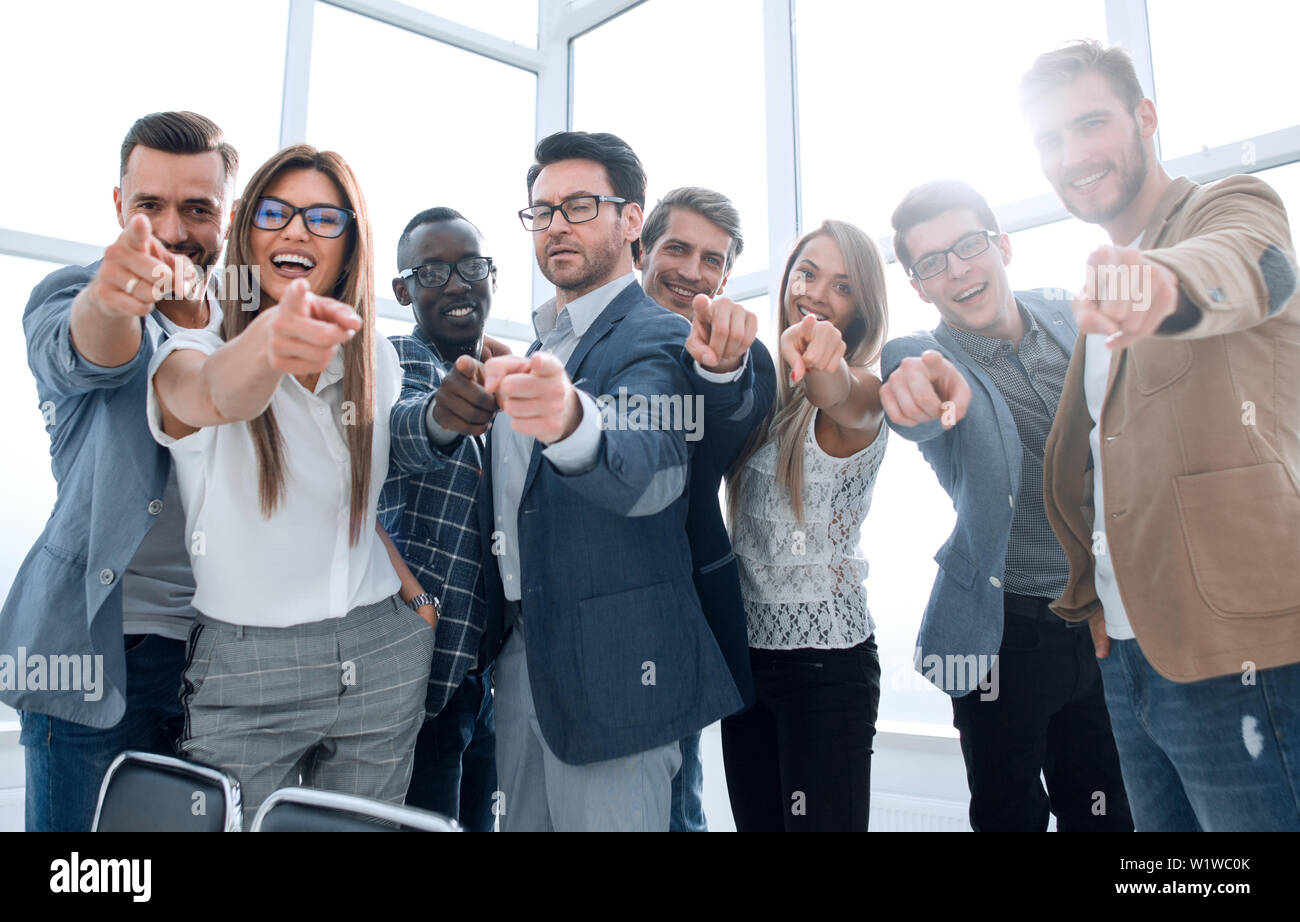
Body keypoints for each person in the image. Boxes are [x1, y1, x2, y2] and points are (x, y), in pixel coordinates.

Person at [1021, 39, 1300, 831]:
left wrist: (1165, 284)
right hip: (1132, 660)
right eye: (1049, 141)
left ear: (1146, 118)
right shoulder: (1101, 286)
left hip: (1241, 657)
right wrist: (1098, 597)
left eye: (1090, 125)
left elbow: (1255, 264)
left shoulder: (1226, 208)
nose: (1071, 156)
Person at [433, 130, 743, 831]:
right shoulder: (546, 346)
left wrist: (573, 419)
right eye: (541, 212)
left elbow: (652, 470)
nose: (555, 226)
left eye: (578, 206)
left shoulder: (657, 335)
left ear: (631, 221)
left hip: (619, 675)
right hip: (522, 665)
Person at [147, 144, 434, 825]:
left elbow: (355, 508)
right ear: (248, 230)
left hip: (380, 650)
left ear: (350, 243)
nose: (297, 230)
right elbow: (211, 394)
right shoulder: (197, 348)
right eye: (276, 212)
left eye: (323, 219)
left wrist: (415, 607)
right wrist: (270, 341)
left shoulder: (378, 364)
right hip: (249, 668)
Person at [3, 112, 235, 831]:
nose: (172, 230)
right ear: (118, 209)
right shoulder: (72, 292)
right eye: (150, 206)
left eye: (197, 208)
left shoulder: (243, 327)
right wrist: (111, 299)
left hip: (220, 662)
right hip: (98, 653)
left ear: (225, 217)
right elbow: (90, 349)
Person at [880, 179, 1132, 831]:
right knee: (1008, 815)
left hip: (1104, 621)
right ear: (918, 286)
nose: (957, 268)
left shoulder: (1070, 316)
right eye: (932, 262)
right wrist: (920, 389)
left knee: (1110, 808)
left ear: (1004, 246)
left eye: (968, 245)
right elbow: (918, 393)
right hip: (1005, 633)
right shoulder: (920, 355)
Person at [721, 219, 888, 832]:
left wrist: (823, 360)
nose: (816, 293)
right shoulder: (762, 389)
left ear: (861, 308)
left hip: (827, 668)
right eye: (808, 273)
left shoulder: (866, 389)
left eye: (841, 286)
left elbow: (836, 388)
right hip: (746, 658)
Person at [635, 186, 776, 832]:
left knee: (672, 800)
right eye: (678, 249)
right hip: (556, 619)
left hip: (677, 618)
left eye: (712, 260)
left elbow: (733, 414)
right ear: (642, 250)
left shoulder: (738, 357)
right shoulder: (583, 339)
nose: (692, 271)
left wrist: (721, 370)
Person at [381, 206, 503, 831]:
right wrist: (443, 417)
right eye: (433, 271)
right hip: (421, 676)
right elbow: (405, 429)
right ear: (403, 289)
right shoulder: (389, 362)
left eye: (470, 266)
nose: (456, 283)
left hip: (495, 677)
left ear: (491, 277)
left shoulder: (515, 375)